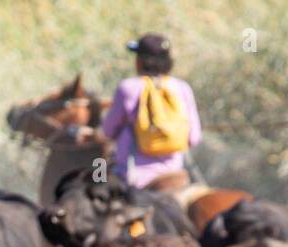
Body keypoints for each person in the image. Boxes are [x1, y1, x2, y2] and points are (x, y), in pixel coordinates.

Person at [79, 33, 202, 190]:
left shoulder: (128, 88)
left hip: (132, 177)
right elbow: (194, 138)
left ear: (140, 61)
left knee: (90, 192)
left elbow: (107, 132)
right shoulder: (182, 88)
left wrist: (90, 134)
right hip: (175, 177)